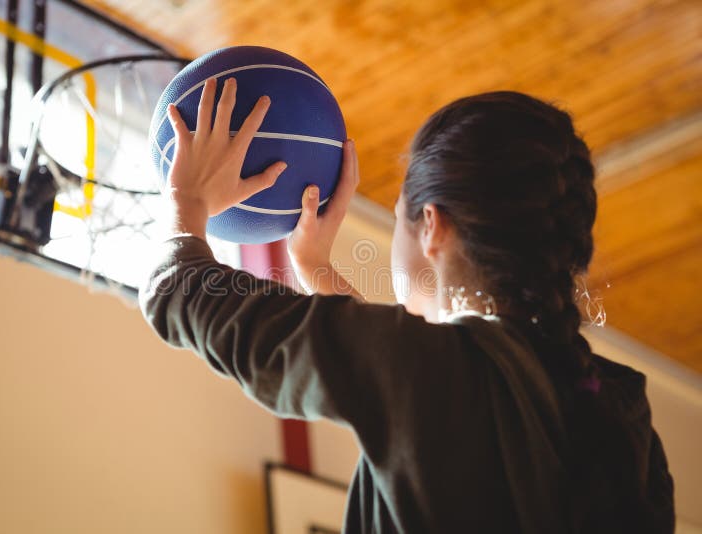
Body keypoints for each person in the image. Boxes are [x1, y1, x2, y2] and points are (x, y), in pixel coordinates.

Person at [139, 77, 675, 533]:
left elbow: (175, 290)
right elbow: (408, 384)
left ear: (433, 228)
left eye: (399, 219)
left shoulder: (424, 368)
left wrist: (186, 205)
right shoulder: (622, 409)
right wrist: (318, 270)